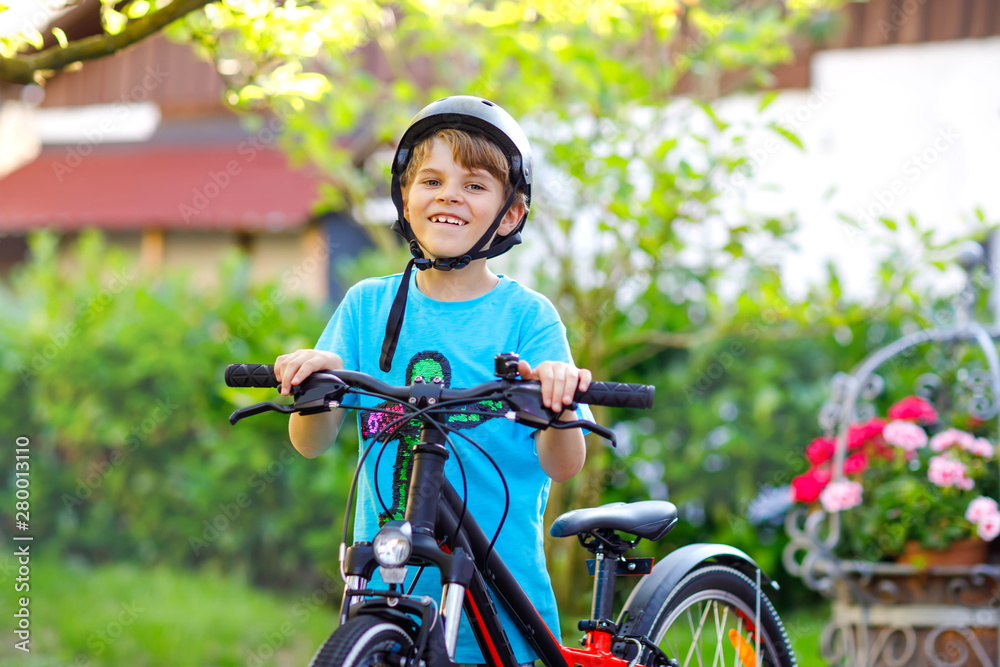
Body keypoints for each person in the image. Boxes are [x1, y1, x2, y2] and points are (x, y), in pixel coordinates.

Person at [274, 95, 591, 665]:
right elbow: (309, 442)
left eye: (474, 184)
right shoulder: (367, 308)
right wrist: (314, 384)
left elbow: (564, 464)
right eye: (431, 179)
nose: (449, 194)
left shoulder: (528, 317)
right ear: (404, 197)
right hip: (385, 596)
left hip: (500, 606)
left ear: (510, 214)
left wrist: (559, 399)